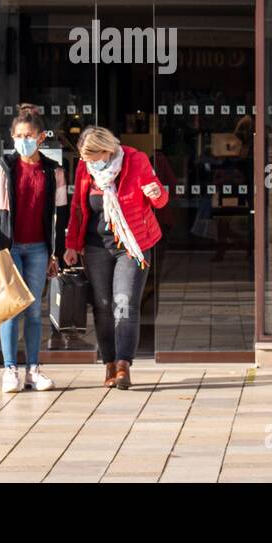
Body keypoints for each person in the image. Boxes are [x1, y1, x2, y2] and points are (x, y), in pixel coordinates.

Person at [0, 105, 67, 394]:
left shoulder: (54, 171)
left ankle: (33, 370)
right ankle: (10, 369)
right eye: (18, 135)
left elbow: (61, 215)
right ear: (12, 137)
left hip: (38, 249)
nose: (23, 139)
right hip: (9, 248)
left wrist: (57, 254)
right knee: (11, 309)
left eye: (29, 135)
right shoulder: (3, 167)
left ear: (40, 138)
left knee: (35, 311)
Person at [65, 126, 167, 390]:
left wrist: (156, 194)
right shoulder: (85, 168)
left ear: (107, 150)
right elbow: (77, 206)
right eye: (85, 158)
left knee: (125, 304)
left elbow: (159, 198)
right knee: (102, 306)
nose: (89, 162)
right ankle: (108, 363)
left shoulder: (136, 160)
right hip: (96, 246)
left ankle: (123, 365)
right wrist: (72, 245)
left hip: (132, 245)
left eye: (93, 156)